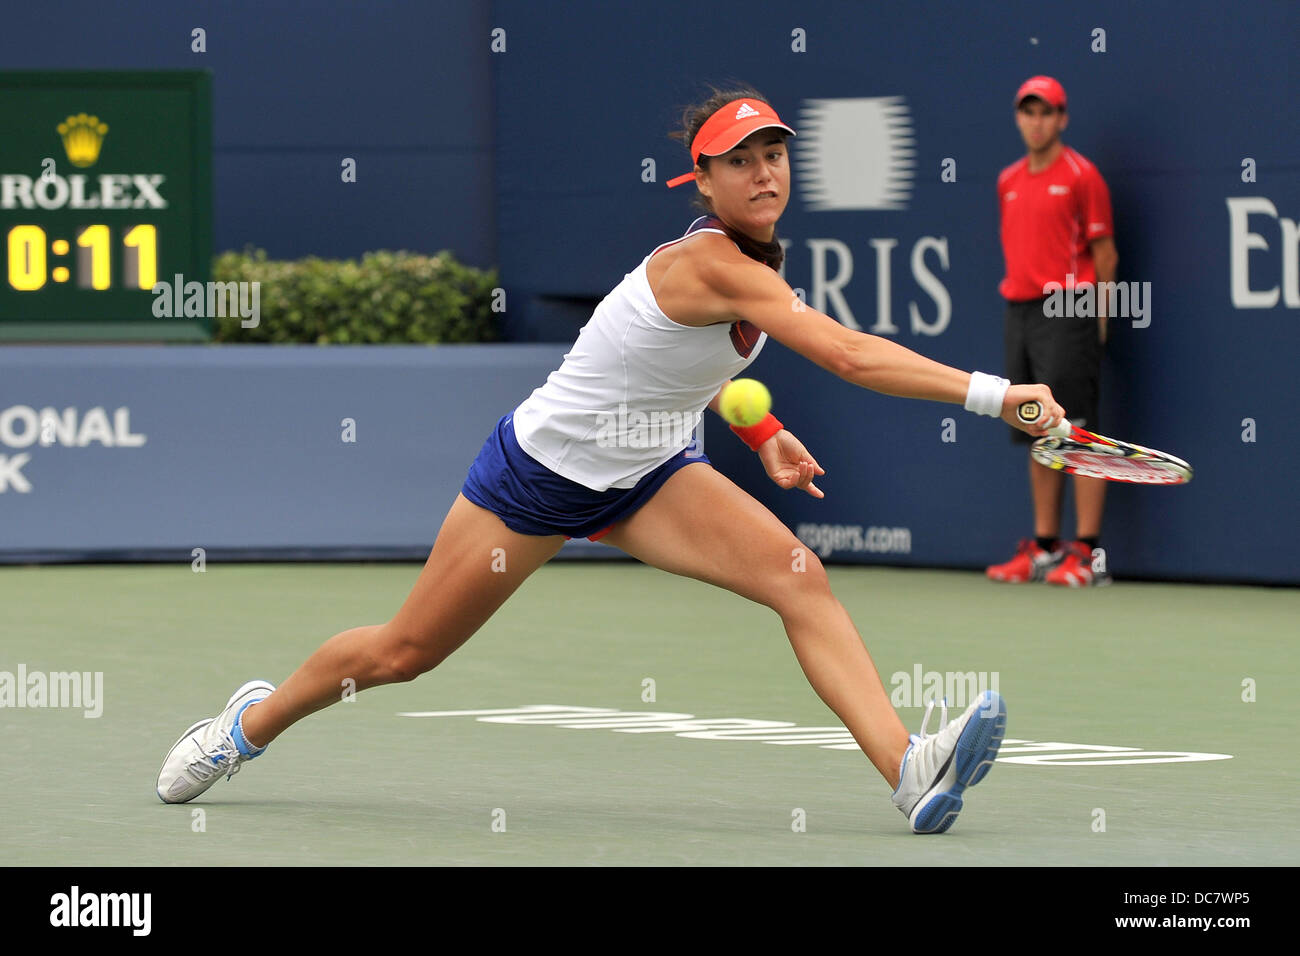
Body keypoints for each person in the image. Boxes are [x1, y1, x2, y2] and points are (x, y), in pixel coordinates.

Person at [156, 87, 1064, 834]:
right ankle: (248, 725)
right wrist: (997, 395)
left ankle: (909, 767)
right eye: (740, 159)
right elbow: (852, 356)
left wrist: (760, 432)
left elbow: (680, 372)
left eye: (774, 154)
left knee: (799, 577)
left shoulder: (750, 266)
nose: (763, 171)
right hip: (537, 478)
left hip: (648, 473)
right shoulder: (713, 265)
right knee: (404, 652)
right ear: (702, 181)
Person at [987, 75, 1118, 587]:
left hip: (1069, 309)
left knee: (1077, 429)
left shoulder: (1084, 176)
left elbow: (1105, 256)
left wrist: (1099, 320)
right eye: (1028, 111)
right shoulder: (1008, 180)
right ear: (1019, 117)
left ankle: (1087, 554)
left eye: (1047, 113)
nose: (1036, 122)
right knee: (1037, 428)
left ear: (1062, 119)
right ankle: (1045, 549)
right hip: (1018, 312)